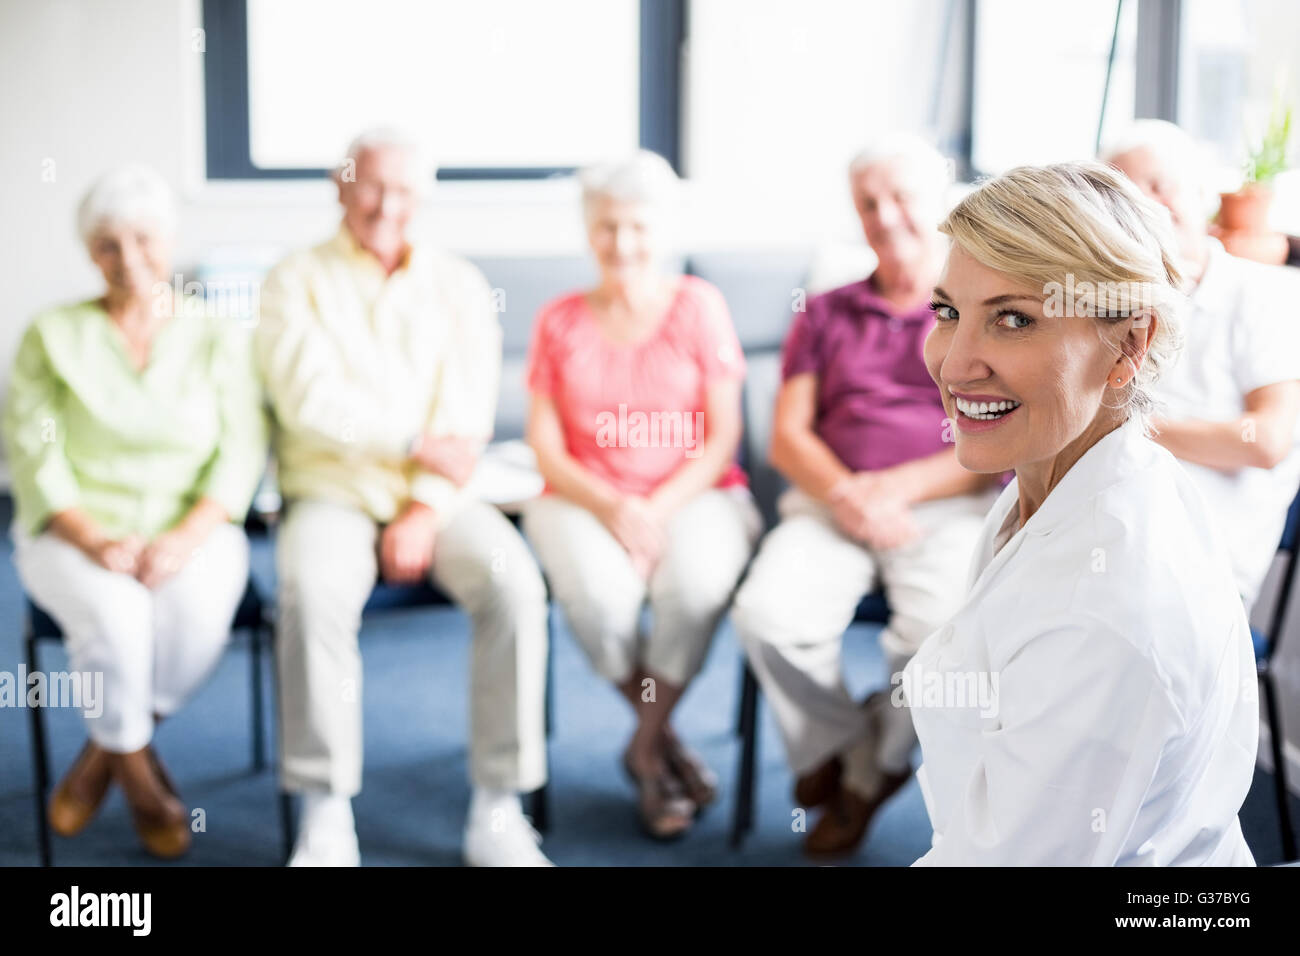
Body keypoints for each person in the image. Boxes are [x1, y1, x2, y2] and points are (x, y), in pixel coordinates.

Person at [911, 160, 1257, 865]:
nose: (954, 365)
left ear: (1128, 345)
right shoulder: (1064, 481)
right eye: (948, 312)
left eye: (1013, 320)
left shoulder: (1105, 610)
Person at [255, 129, 551, 867]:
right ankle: (325, 811)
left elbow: (467, 413)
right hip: (331, 490)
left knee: (515, 584)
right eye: (370, 186)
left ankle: (499, 804)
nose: (387, 206)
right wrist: (415, 440)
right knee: (311, 592)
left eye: (404, 191)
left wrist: (424, 503)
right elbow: (308, 403)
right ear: (340, 185)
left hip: (439, 498)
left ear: (424, 198)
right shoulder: (294, 279)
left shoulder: (458, 282)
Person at [730, 135, 998, 857]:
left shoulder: (979, 307)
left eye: (901, 197)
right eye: (868, 202)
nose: (885, 216)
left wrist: (898, 489)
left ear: (939, 205)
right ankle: (853, 751)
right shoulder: (823, 312)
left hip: (945, 504)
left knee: (940, 642)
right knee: (767, 618)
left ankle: (872, 770)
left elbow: (997, 436)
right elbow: (788, 438)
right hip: (830, 503)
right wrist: (851, 494)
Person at [4, 165, 267, 858]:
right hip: (73, 529)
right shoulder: (51, 334)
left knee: (196, 621)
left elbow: (241, 451)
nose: (130, 260)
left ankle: (103, 757)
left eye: (145, 240)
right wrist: (91, 537)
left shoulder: (215, 333)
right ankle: (148, 790)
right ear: (91, 253)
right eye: (108, 245)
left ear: (171, 241)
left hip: (195, 523)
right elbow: (32, 451)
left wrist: (184, 537)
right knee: (118, 623)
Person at [522, 150, 761, 839]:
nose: (622, 243)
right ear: (587, 230)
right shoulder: (557, 319)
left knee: (694, 587)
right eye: (606, 227)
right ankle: (666, 744)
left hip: (695, 492)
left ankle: (643, 748)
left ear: (661, 229)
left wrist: (651, 512)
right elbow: (546, 447)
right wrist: (614, 508)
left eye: (636, 226)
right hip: (581, 495)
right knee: (601, 602)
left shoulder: (698, 305)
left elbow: (721, 438)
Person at [1102, 119, 1300, 612]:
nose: (1148, 207)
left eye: (1161, 186)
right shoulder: (1105, 302)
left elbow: (1269, 440)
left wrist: (1132, 427)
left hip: (1203, 562)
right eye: (1126, 197)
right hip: (1112, 536)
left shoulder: (1259, 293)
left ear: (1201, 193)